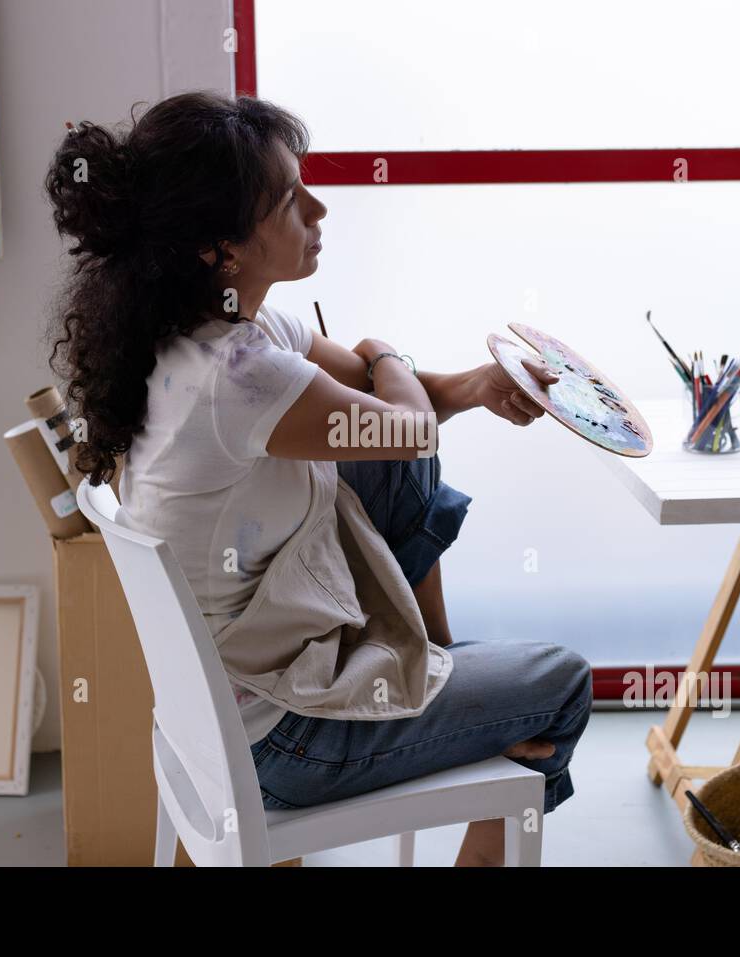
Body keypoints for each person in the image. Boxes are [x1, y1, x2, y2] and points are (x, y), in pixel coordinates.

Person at [44, 91, 592, 866]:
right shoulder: (241, 375)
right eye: (288, 200)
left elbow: (387, 416)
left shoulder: (214, 336)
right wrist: (386, 350)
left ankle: (445, 672)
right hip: (290, 742)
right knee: (563, 681)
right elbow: (400, 426)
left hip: (228, 715)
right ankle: (467, 709)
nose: (319, 207)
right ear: (220, 247)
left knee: (385, 472)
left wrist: (469, 385)